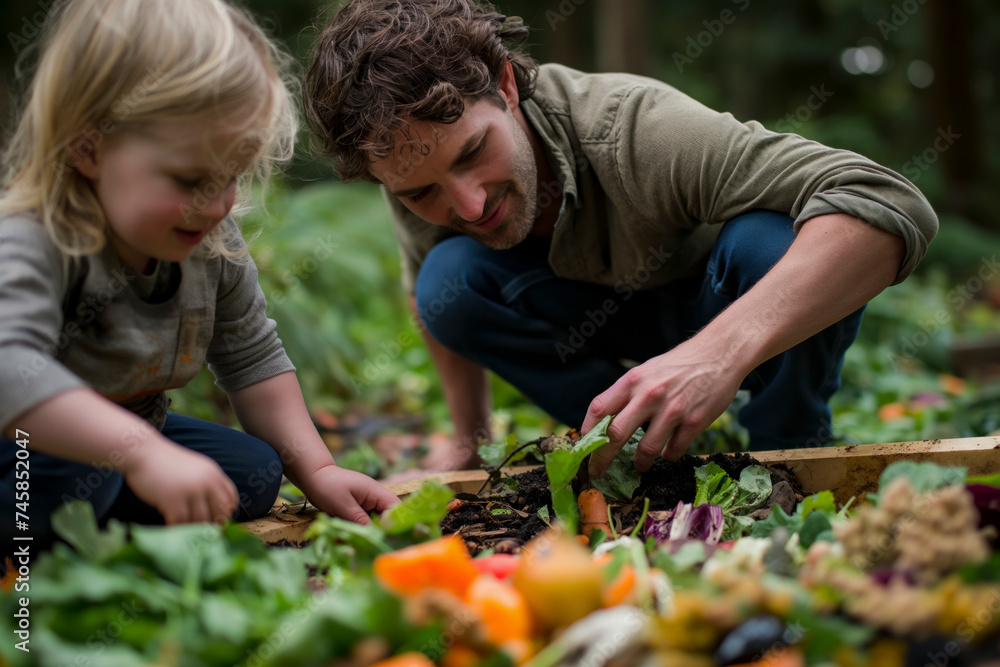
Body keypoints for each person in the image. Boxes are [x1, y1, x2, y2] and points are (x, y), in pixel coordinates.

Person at [304, 0, 939, 478]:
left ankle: (786, 442)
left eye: (475, 152)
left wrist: (717, 353)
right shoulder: (410, 169)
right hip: (588, 314)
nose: (466, 203)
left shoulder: (639, 130)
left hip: (720, 301)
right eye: (421, 192)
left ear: (503, 86)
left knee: (771, 242)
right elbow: (429, 300)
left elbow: (886, 200)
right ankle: (637, 447)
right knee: (450, 281)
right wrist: (466, 444)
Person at [0, 0, 398, 551]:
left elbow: (251, 356)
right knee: (60, 472)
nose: (215, 205)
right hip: (22, 445)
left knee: (253, 472)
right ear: (87, 147)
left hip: (128, 445)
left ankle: (101, 530)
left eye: (231, 177)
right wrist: (142, 452)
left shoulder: (210, 240)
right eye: (190, 179)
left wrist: (320, 473)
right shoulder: (36, 238)